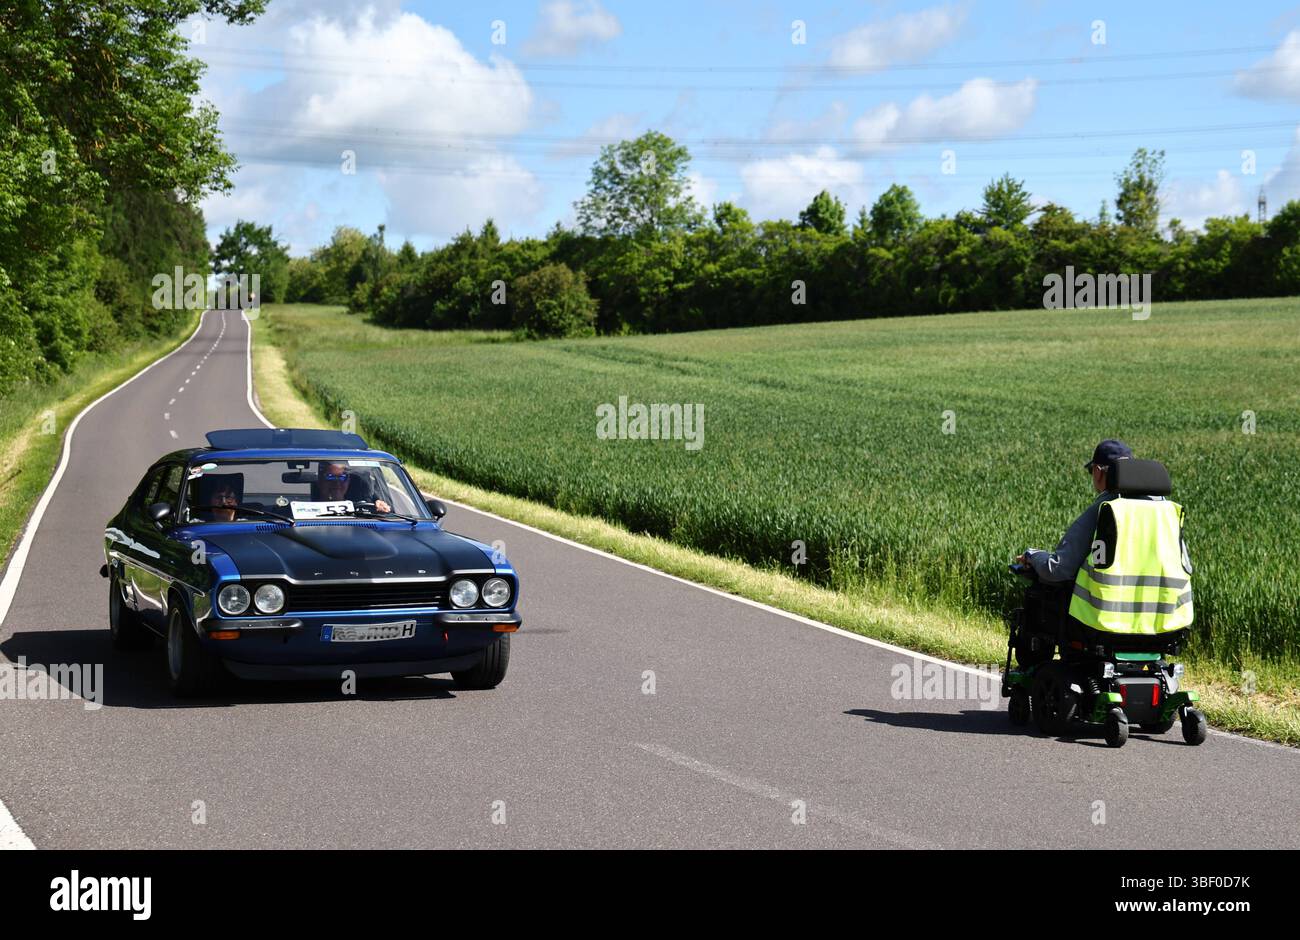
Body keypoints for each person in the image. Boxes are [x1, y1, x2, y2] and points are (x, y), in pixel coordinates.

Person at [1016, 439, 1147, 583]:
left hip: (1110, 604)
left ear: (1097, 472)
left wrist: (1033, 555)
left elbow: (1057, 569)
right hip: (1164, 604)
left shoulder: (1104, 509)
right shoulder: (1166, 510)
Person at [316, 460, 391, 514]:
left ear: (348, 481)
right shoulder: (306, 512)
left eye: (342, 477)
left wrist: (381, 509)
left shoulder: (362, 510)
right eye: (330, 477)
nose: (337, 483)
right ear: (320, 480)